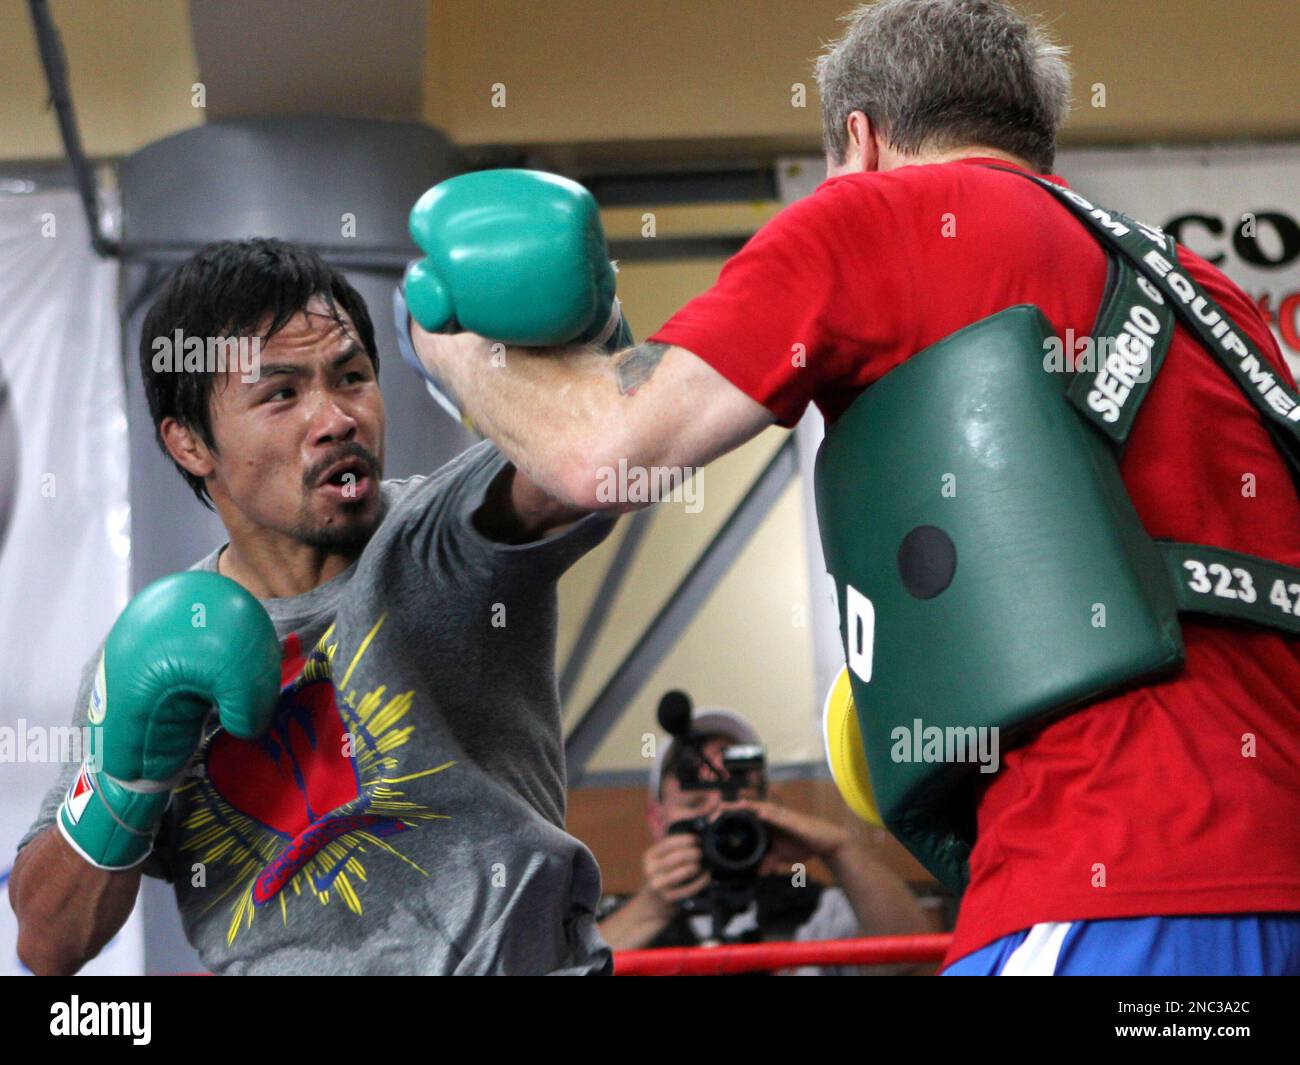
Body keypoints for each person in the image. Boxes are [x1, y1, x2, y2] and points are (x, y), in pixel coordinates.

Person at [403, 0, 1300, 974]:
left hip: (1114, 878)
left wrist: (448, 347)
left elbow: (596, 454)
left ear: (859, 141)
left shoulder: (882, 214)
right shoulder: (1206, 298)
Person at [9, 238, 618, 975]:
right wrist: (125, 782)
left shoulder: (448, 536)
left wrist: (592, 337)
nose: (336, 418)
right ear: (190, 442)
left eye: (353, 376)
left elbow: (605, 457)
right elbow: (48, 944)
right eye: (281, 393)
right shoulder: (151, 648)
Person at [596, 706, 928, 974]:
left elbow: (911, 958)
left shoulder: (810, 909)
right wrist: (652, 909)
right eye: (696, 805)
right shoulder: (618, 921)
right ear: (657, 820)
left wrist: (839, 850)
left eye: (737, 801)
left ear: (766, 809)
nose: (718, 818)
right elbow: (572, 969)